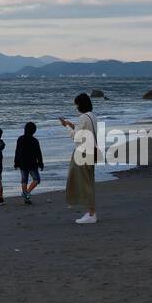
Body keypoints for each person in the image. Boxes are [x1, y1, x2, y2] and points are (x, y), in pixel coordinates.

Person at [58, 93, 98, 224]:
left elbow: (76, 137)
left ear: (81, 104)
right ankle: (90, 211)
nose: (76, 107)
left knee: (82, 182)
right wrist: (72, 125)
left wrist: (67, 126)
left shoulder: (83, 117)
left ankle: (91, 213)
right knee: (88, 181)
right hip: (91, 151)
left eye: (77, 104)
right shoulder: (92, 116)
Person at [13, 122, 43, 204]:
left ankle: (26, 198)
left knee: (24, 180)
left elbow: (17, 152)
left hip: (22, 163)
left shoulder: (20, 139)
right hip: (32, 163)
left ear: (25, 129)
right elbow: (38, 153)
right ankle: (27, 193)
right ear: (34, 131)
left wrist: (16, 163)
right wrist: (41, 163)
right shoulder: (35, 140)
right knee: (36, 179)